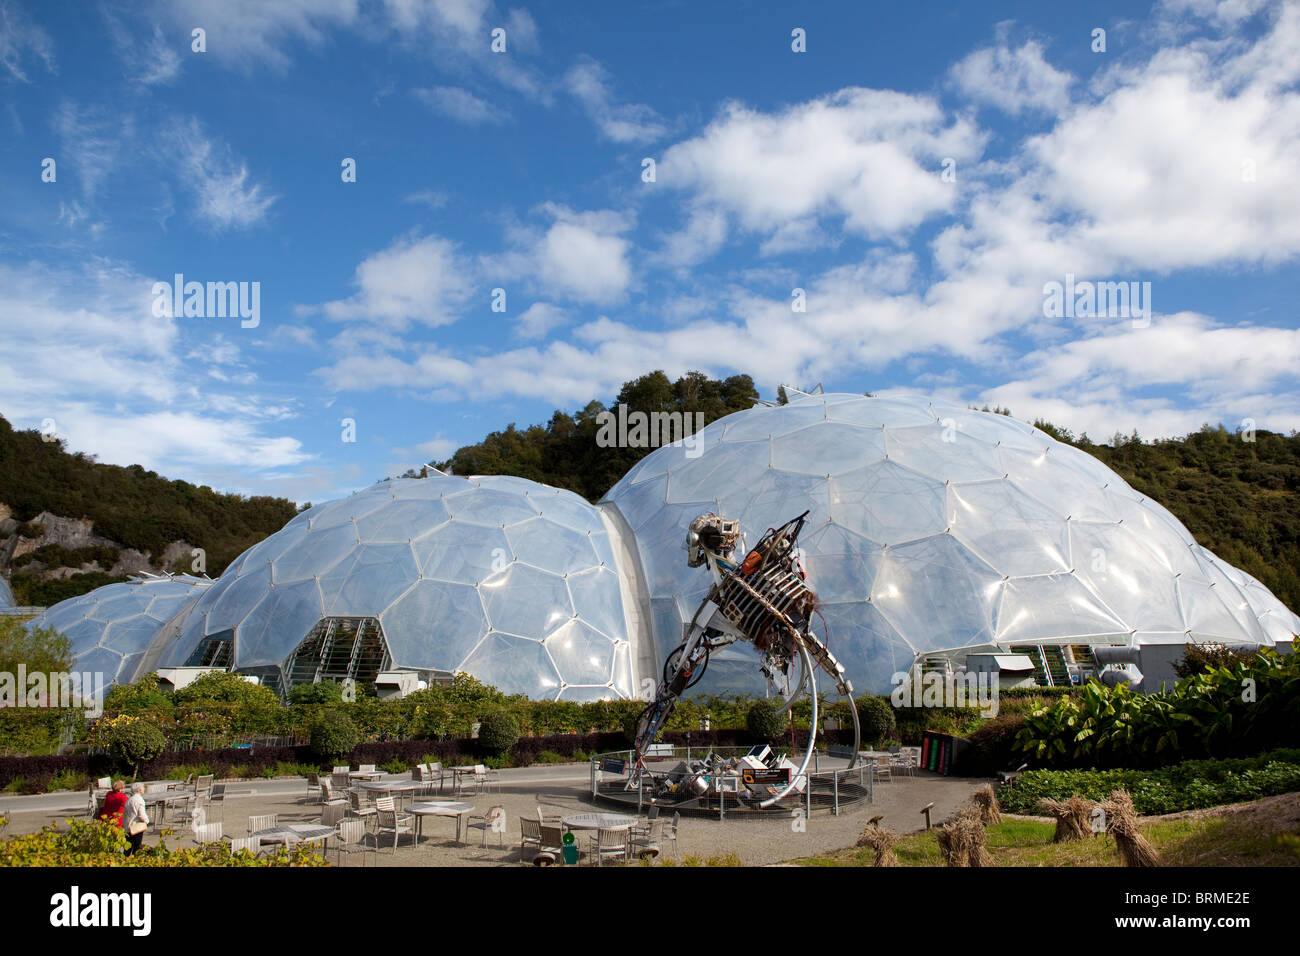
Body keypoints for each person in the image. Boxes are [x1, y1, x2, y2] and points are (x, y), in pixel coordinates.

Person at [121, 783, 149, 856]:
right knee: (137, 848)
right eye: (143, 787)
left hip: (128, 827)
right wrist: (146, 821)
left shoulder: (129, 800)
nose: (144, 789)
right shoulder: (140, 800)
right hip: (137, 827)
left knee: (127, 848)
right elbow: (141, 814)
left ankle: (124, 860)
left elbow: (125, 815)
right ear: (139, 790)